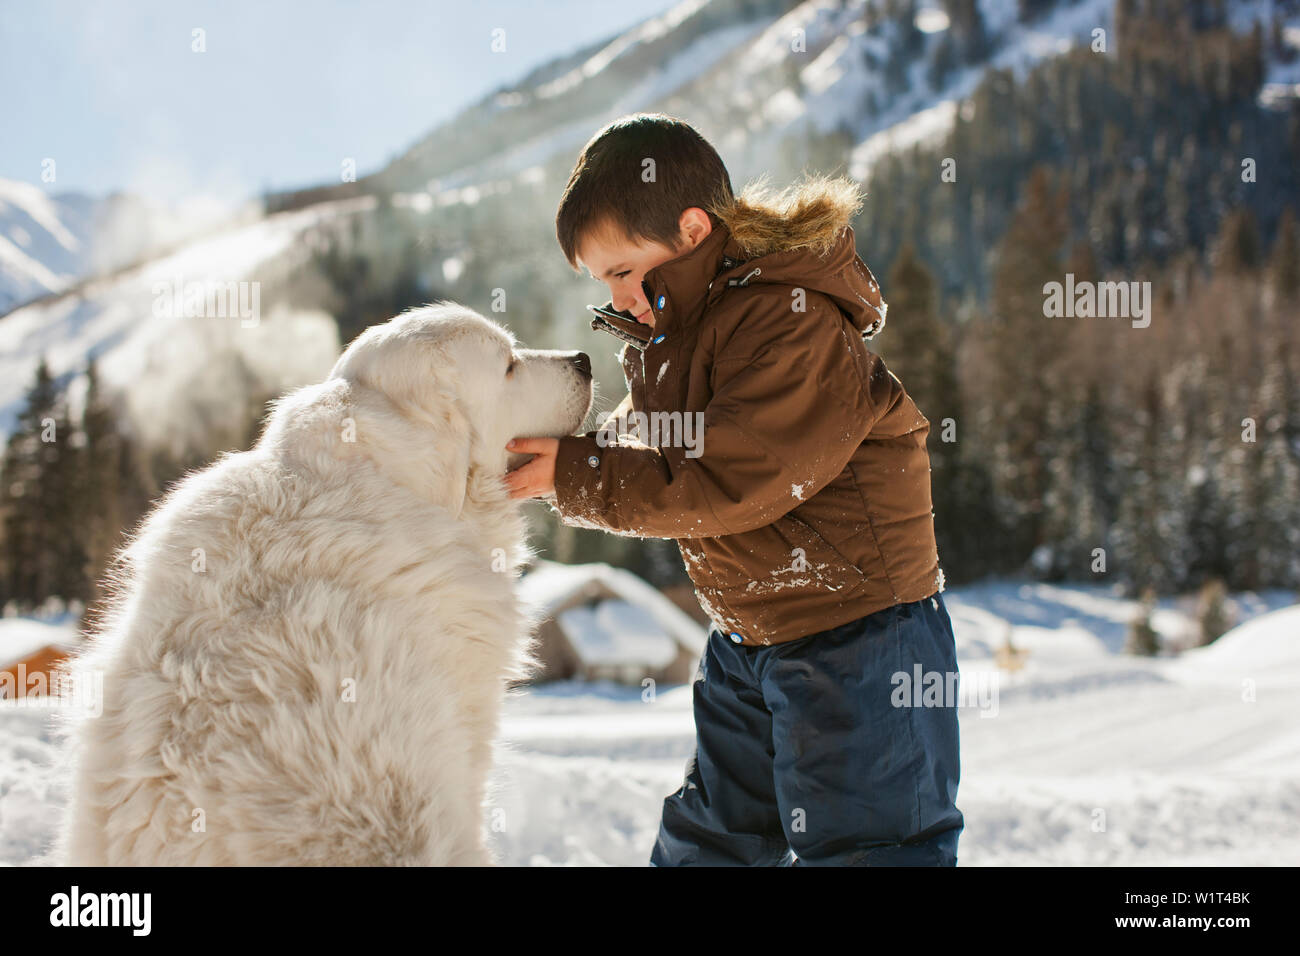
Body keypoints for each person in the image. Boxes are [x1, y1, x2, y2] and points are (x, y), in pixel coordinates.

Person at [506, 113, 963, 866]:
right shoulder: (673, 334)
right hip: (748, 636)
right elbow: (645, 442)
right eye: (604, 282)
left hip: (861, 637)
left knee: (873, 845)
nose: (617, 298)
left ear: (690, 230)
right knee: (713, 838)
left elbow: (734, 475)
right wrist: (558, 458)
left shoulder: (789, 319)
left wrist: (578, 474)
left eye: (623, 271)